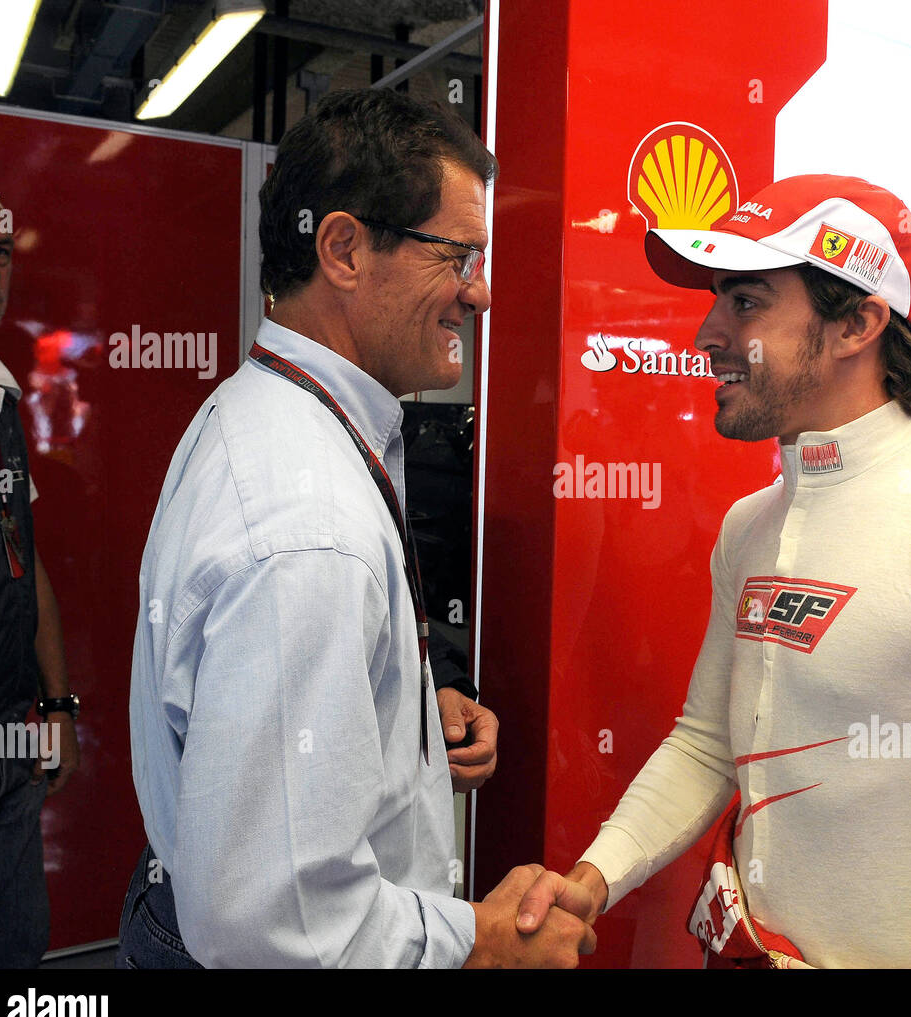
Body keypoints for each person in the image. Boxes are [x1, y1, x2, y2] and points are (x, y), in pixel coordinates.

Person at [520, 174, 911, 967]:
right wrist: (595, 876)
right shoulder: (751, 524)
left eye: (745, 302)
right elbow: (706, 743)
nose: (706, 332)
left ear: (857, 323)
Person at [120, 90, 593, 968]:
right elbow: (276, 923)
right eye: (459, 254)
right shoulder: (310, 531)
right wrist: (480, 942)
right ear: (342, 248)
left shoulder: (266, 413)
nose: (480, 292)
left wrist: (398, 718)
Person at [0, 174, 81, 968]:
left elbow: (22, 558)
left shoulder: (0, 402)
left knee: (13, 967)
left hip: (6, 749)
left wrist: (60, 705)